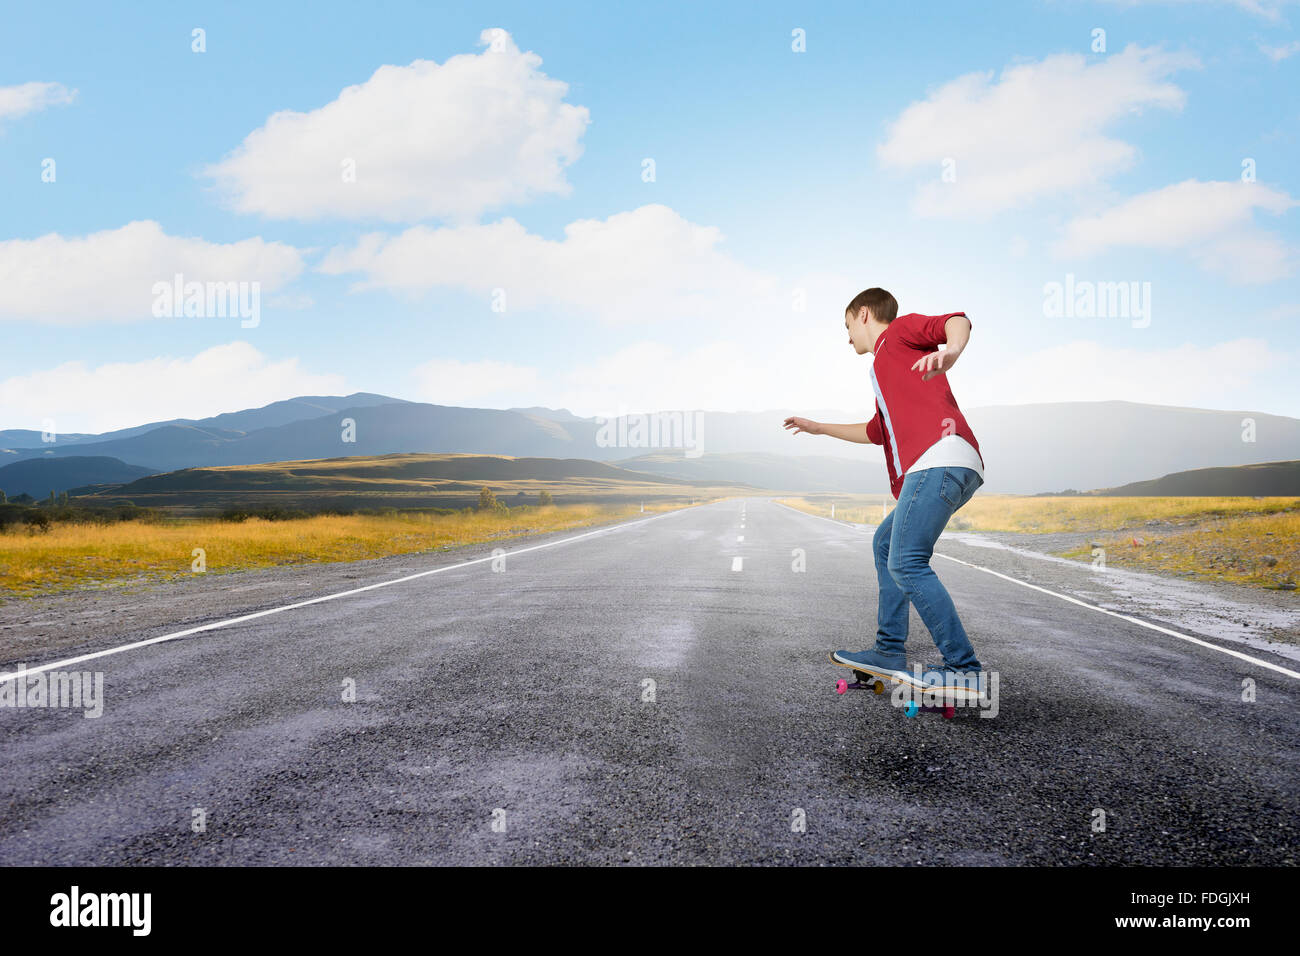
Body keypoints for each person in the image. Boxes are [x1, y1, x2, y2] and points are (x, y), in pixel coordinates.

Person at [783, 287, 986, 700]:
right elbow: (876, 431)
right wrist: (820, 428)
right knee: (886, 544)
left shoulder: (900, 332)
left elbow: (956, 320)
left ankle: (964, 670)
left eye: (847, 327)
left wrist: (952, 350)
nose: (847, 338)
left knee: (907, 562)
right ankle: (888, 651)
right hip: (946, 464)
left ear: (863, 315)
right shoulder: (884, 368)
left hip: (939, 458)